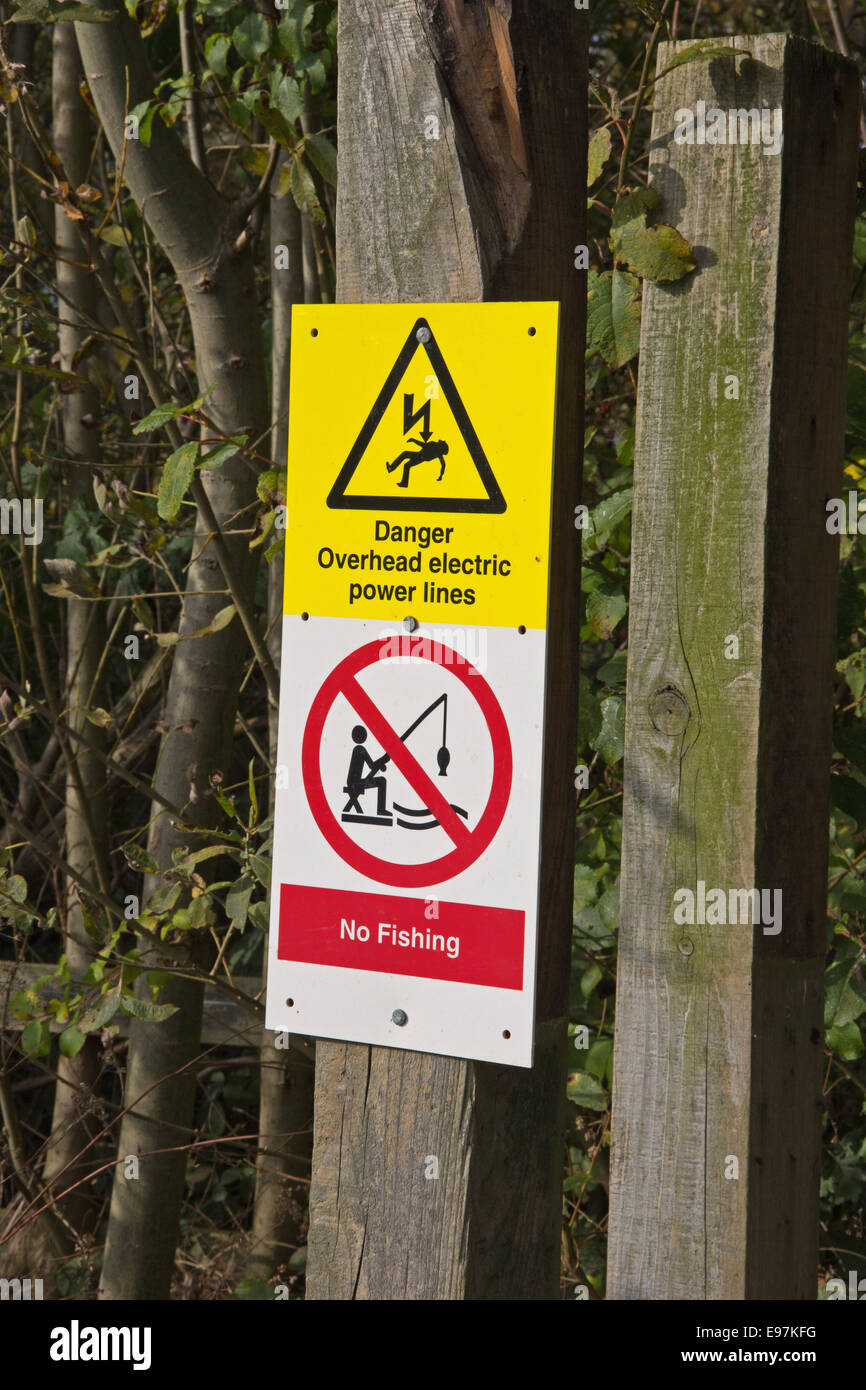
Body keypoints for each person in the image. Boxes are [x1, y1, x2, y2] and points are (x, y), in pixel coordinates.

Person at [343, 725, 388, 816]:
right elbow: (372, 766)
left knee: (382, 780)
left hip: (356, 782)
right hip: (354, 783)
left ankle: (381, 811)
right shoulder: (360, 750)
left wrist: (382, 761)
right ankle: (381, 810)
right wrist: (382, 760)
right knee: (382, 781)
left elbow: (373, 766)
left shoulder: (359, 749)